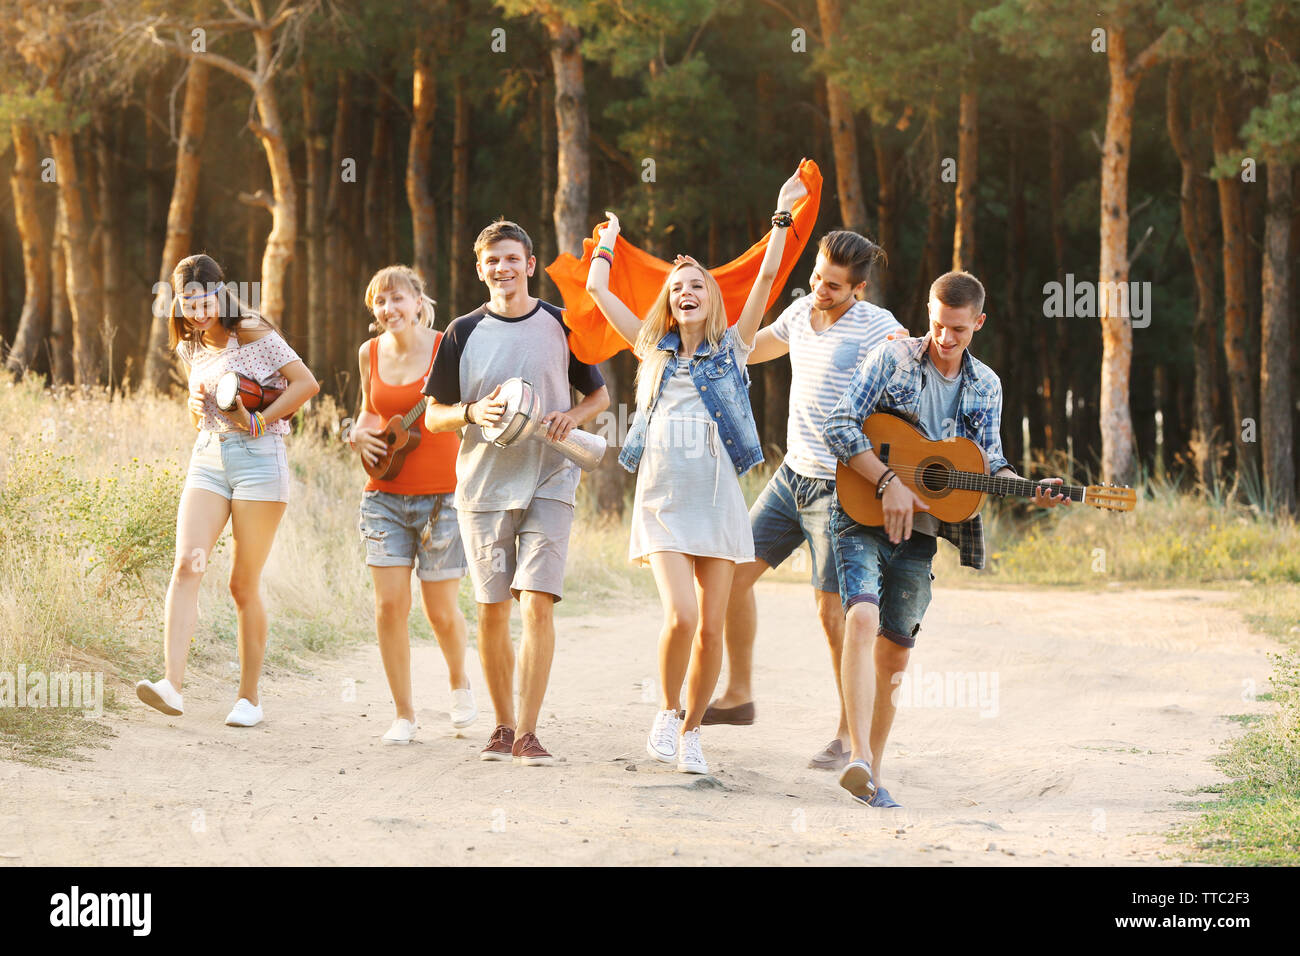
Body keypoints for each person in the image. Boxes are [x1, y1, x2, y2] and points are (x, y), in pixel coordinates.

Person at [584, 171, 807, 775]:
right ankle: (664, 711)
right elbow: (599, 291)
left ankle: (690, 732)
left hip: (718, 505)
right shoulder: (648, 348)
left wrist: (781, 214)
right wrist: (609, 237)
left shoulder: (732, 349)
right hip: (661, 503)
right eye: (677, 286)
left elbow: (765, 276)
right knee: (681, 615)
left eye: (697, 285)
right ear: (668, 299)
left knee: (711, 629)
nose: (687, 291)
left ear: (711, 299)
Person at [822, 270, 1069, 808]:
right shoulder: (892, 358)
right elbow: (840, 425)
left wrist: (1030, 489)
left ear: (978, 322)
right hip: (861, 513)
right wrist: (887, 482)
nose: (944, 338)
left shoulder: (987, 386)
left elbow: (990, 465)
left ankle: (873, 774)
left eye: (957, 328)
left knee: (895, 657)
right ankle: (858, 756)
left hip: (923, 533)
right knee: (859, 617)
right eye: (937, 324)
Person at [704, 231, 906, 774]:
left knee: (832, 616)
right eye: (817, 277)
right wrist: (702, 329)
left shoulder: (878, 326)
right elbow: (750, 345)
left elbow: (913, 367)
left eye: (834, 285)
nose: (820, 288)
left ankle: (847, 732)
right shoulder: (799, 312)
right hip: (791, 477)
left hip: (838, 490)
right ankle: (738, 693)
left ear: (858, 288)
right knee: (728, 578)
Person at [421, 220, 609, 766]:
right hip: (482, 488)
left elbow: (598, 396)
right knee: (492, 609)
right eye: (491, 262)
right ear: (479, 270)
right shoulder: (461, 332)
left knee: (538, 603)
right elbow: (433, 416)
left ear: (529, 264)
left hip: (552, 478)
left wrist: (568, 417)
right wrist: (472, 413)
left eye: (511, 259)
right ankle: (501, 726)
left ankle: (528, 732)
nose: (501, 269)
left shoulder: (560, 323)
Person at [136, 253, 319, 727]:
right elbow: (201, 414)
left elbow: (305, 384)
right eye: (188, 303)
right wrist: (195, 406)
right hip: (208, 458)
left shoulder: (253, 330)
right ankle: (172, 686)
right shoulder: (190, 345)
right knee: (185, 565)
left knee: (242, 584)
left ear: (222, 292)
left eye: (205, 300)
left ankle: (249, 699)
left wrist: (259, 420)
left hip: (260, 462)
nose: (198, 312)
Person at [348, 265, 476, 744]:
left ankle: (460, 681)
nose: (389, 309)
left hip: (444, 498)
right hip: (383, 495)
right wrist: (358, 433)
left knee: (441, 611)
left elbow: (468, 409)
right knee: (388, 608)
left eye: (398, 298)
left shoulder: (450, 347)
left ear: (420, 302)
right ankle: (404, 714)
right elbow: (369, 409)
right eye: (380, 302)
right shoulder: (369, 352)